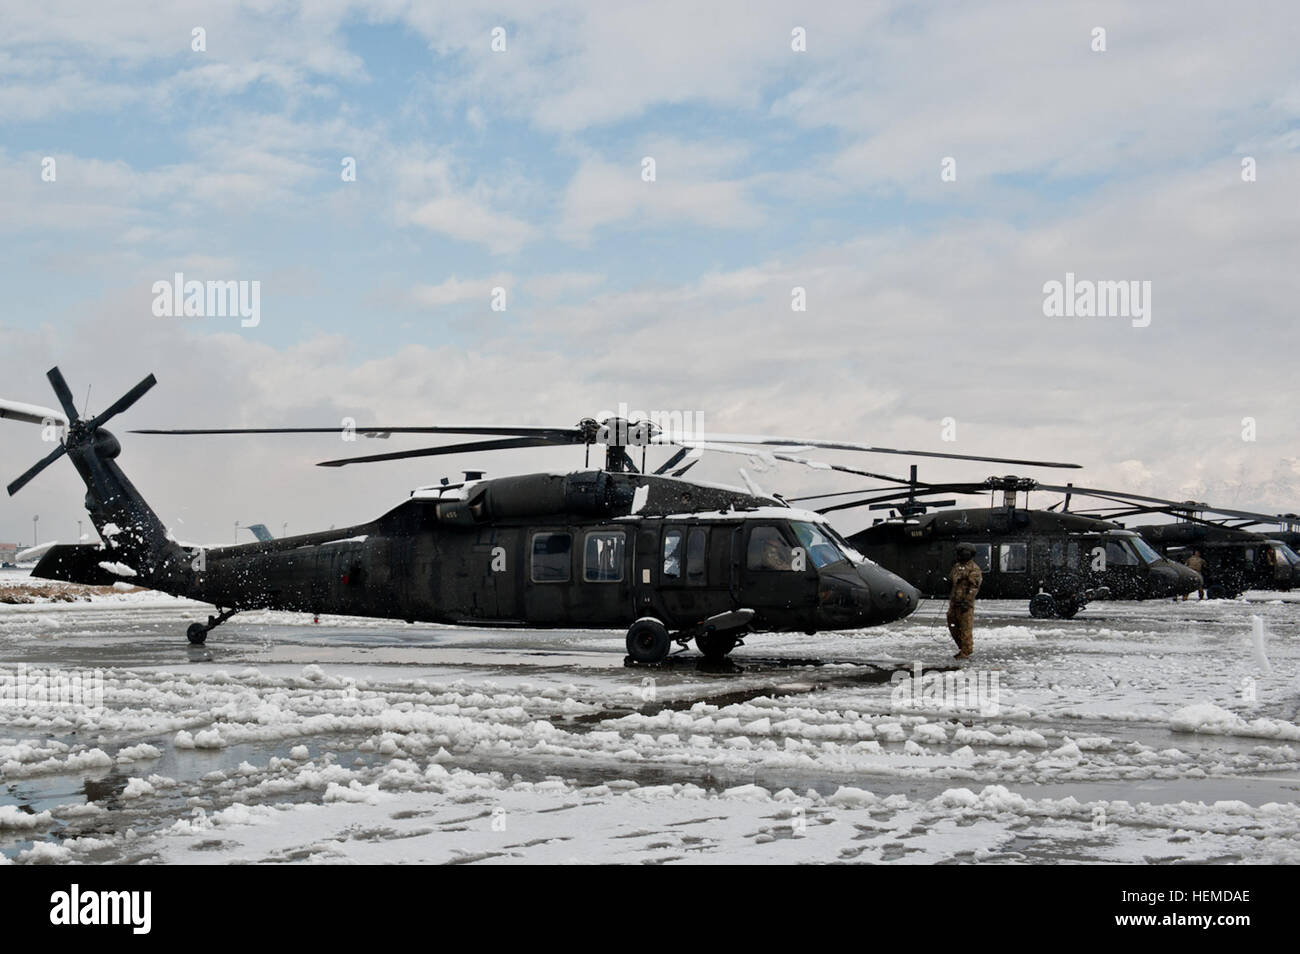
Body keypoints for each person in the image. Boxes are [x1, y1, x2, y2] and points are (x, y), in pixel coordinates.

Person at [947, 543, 982, 660]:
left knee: (965, 627)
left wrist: (967, 601)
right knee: (952, 625)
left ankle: (966, 651)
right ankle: (962, 647)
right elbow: (952, 579)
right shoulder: (957, 567)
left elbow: (974, 587)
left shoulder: (974, 569)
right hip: (954, 602)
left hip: (965, 604)